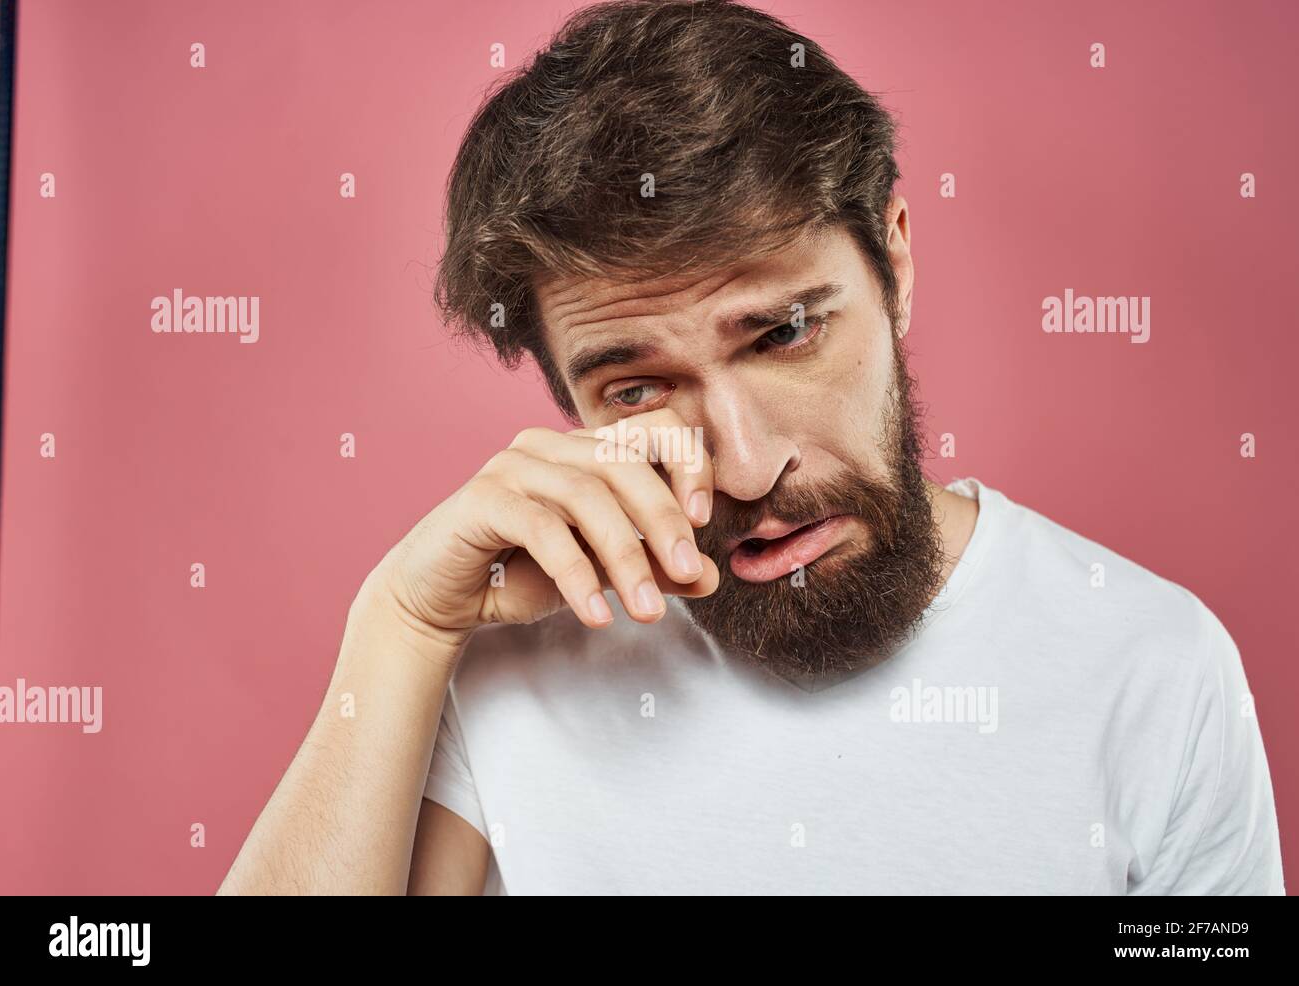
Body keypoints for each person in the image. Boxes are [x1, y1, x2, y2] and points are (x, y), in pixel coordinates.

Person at [218, 0, 1284, 895]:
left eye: (782, 335)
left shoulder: (1152, 665)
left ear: (894, 263)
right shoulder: (502, 668)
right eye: (637, 388)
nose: (741, 465)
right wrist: (400, 625)